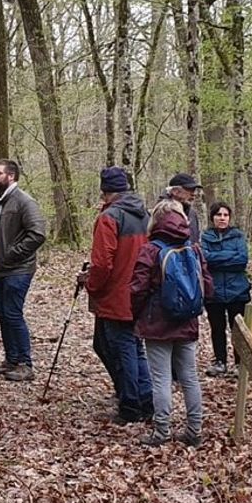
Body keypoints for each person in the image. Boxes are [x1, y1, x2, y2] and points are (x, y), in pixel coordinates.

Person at [130, 200, 213, 447]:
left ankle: (162, 430)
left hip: (157, 324)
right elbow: (208, 286)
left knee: (161, 379)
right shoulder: (194, 249)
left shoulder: (150, 250)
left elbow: (137, 289)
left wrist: (136, 315)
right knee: (189, 377)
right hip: (187, 322)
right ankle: (195, 429)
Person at [84, 166, 153, 424]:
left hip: (117, 295)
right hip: (140, 292)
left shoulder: (109, 218)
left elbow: (102, 264)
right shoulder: (144, 214)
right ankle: (147, 400)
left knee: (121, 349)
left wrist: (92, 284)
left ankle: (130, 405)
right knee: (136, 348)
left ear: (105, 192)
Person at [0, 158, 47, 382]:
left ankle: (24, 363)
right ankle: (11, 359)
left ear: (11, 176)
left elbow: (38, 234)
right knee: (2, 314)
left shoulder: (24, 201)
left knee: (12, 313)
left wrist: (12, 254)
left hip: (18, 269)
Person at [200, 201, 251, 376]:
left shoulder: (238, 236)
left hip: (237, 291)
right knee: (217, 328)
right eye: (218, 215)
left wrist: (217, 259)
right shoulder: (205, 237)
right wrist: (229, 257)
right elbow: (205, 260)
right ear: (212, 217)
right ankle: (220, 361)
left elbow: (242, 260)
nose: (222, 218)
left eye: (225, 215)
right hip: (213, 291)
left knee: (238, 328)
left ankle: (239, 363)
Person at [164, 173, 204, 244]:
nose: (193, 194)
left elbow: (195, 241)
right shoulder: (162, 213)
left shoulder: (192, 214)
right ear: (175, 191)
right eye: (189, 189)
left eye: (194, 190)